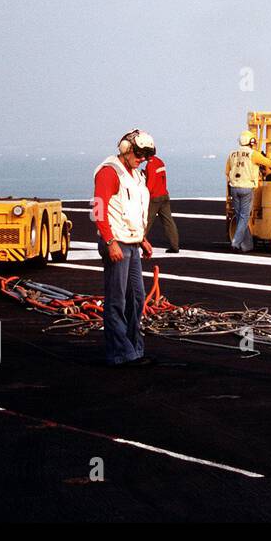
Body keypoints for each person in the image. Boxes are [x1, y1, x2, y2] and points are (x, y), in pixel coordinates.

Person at [93, 130, 156, 368]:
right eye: (139, 154)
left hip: (131, 244)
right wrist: (110, 242)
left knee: (137, 299)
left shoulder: (135, 175)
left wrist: (142, 239)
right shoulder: (110, 172)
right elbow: (99, 210)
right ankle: (119, 354)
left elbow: (132, 210)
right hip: (116, 244)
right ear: (125, 149)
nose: (142, 159)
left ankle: (133, 350)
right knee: (117, 301)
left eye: (145, 156)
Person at [226, 130, 271, 253]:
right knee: (244, 217)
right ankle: (236, 243)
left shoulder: (232, 154)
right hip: (247, 188)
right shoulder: (253, 154)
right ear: (251, 141)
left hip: (234, 188)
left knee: (240, 217)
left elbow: (227, 171)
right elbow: (270, 163)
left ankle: (247, 246)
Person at [143, 151, 180, 253]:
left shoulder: (150, 165)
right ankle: (175, 245)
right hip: (164, 195)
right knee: (169, 222)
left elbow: (150, 184)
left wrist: (144, 197)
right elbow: (160, 178)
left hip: (154, 198)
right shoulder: (160, 161)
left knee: (145, 222)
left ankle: (138, 244)